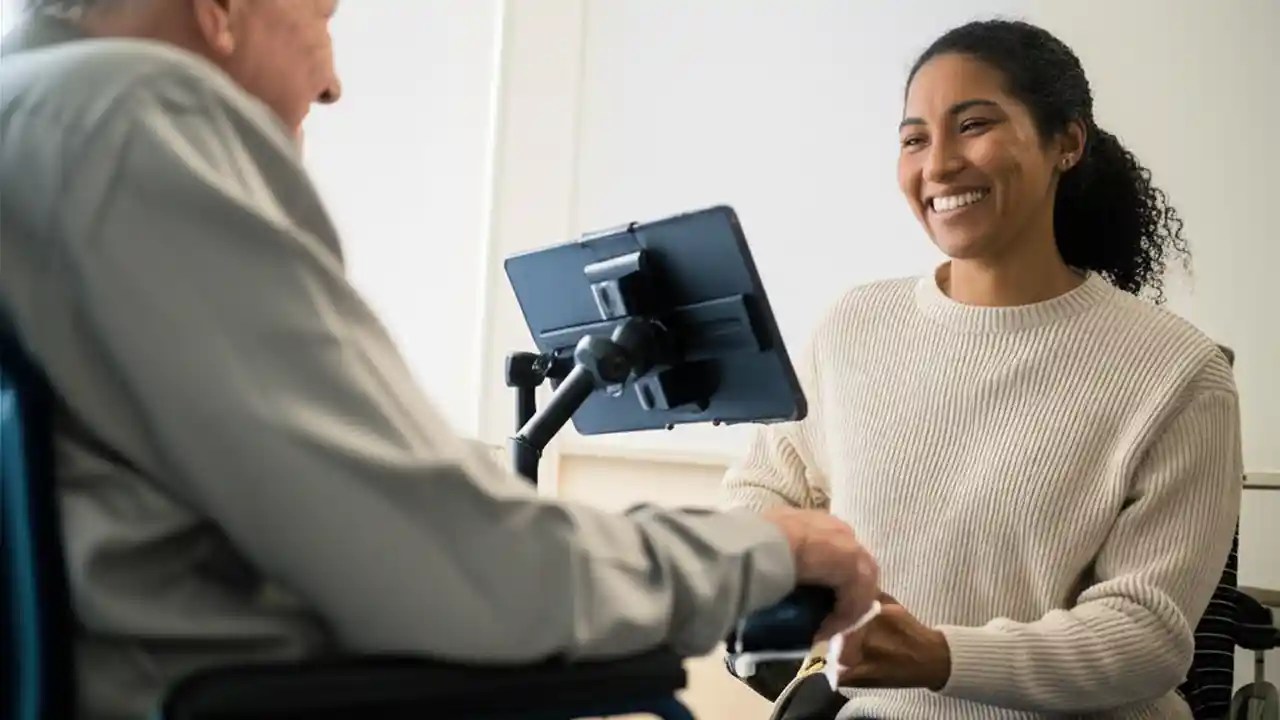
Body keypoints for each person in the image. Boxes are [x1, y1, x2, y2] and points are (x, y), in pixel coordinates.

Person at [0, 2, 882, 719]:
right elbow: (466, 569)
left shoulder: (33, 110)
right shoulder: (138, 111)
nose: (335, 81)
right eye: (324, 13)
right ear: (220, 11)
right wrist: (758, 553)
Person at [722, 18, 1243, 720]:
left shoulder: (1178, 374)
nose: (936, 165)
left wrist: (942, 657)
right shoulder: (852, 326)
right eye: (914, 138)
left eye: (973, 126)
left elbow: (1147, 636)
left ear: (1067, 142)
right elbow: (761, 489)